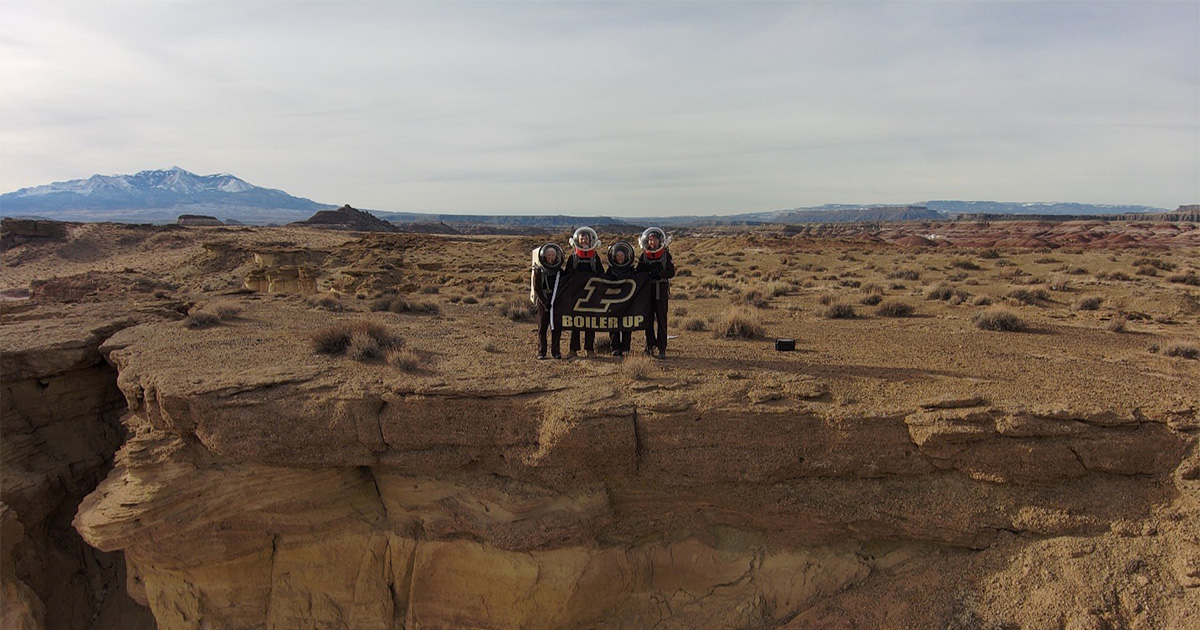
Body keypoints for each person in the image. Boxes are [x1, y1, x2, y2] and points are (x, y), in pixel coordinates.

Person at [636, 227, 675, 359]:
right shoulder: (644, 255)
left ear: (660, 241)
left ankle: (662, 347)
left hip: (661, 289)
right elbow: (638, 272)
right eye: (650, 239)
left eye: (655, 239)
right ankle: (650, 346)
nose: (653, 242)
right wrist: (647, 274)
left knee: (662, 319)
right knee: (648, 319)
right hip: (648, 291)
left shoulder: (665, 255)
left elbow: (671, 272)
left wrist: (659, 273)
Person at [564, 226, 603, 358]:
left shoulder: (595, 258)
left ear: (590, 239)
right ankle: (573, 349)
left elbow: (601, 274)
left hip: (591, 296)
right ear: (578, 240)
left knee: (590, 322)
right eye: (582, 238)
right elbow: (567, 275)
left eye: (586, 237)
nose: (584, 240)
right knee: (576, 322)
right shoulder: (573, 257)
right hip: (576, 296)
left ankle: (589, 349)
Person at [529, 242, 564, 360]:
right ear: (544, 256)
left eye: (553, 255)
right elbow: (537, 288)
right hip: (543, 302)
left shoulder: (559, 271)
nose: (551, 257)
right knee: (542, 328)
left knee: (556, 328)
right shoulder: (539, 271)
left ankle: (556, 351)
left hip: (556, 302)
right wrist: (544, 303)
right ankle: (542, 352)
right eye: (548, 255)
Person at [605, 240, 636, 357]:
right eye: (617, 255)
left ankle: (626, 348)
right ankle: (615, 347)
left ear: (626, 256)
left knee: (627, 323)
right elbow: (605, 282)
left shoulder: (631, 269)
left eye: (622, 255)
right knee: (613, 323)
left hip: (628, 301)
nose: (620, 258)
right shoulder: (611, 269)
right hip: (614, 301)